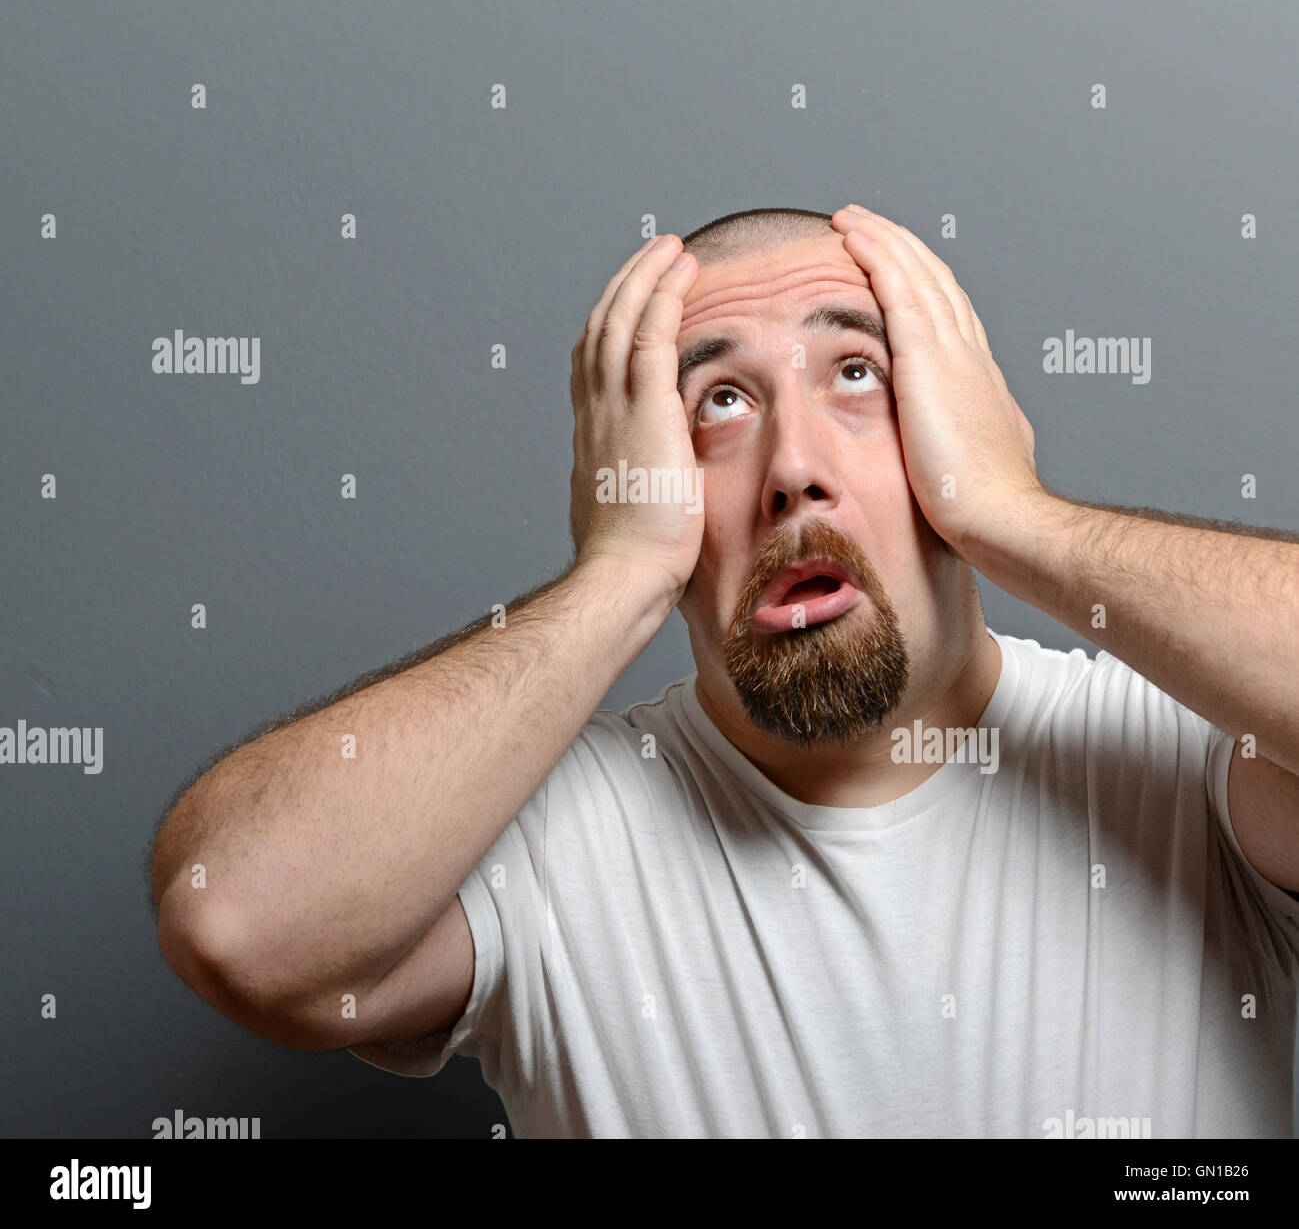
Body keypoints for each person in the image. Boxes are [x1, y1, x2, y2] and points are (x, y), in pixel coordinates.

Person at [150, 204, 1299, 1138]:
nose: (795, 466)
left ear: (962, 426)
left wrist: (1014, 513)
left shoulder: (1195, 760)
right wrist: (617, 571)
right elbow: (237, 924)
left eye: (857, 375)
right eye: (723, 405)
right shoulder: (550, 840)